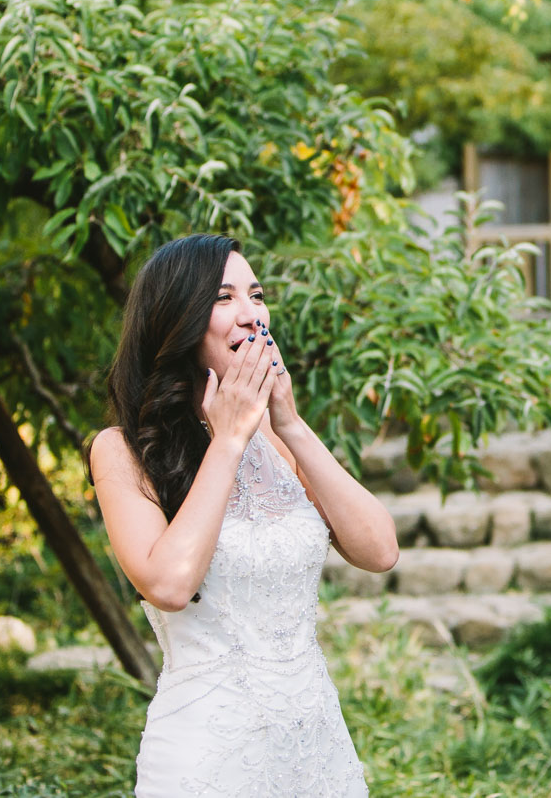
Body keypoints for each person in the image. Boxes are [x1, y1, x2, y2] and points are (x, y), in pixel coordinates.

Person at [89, 234, 398, 798]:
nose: (251, 314)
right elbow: (169, 583)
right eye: (224, 298)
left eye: (256, 295)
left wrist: (291, 425)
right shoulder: (123, 449)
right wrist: (228, 440)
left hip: (317, 750)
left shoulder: (278, 438)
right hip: (209, 756)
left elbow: (380, 551)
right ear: (177, 320)